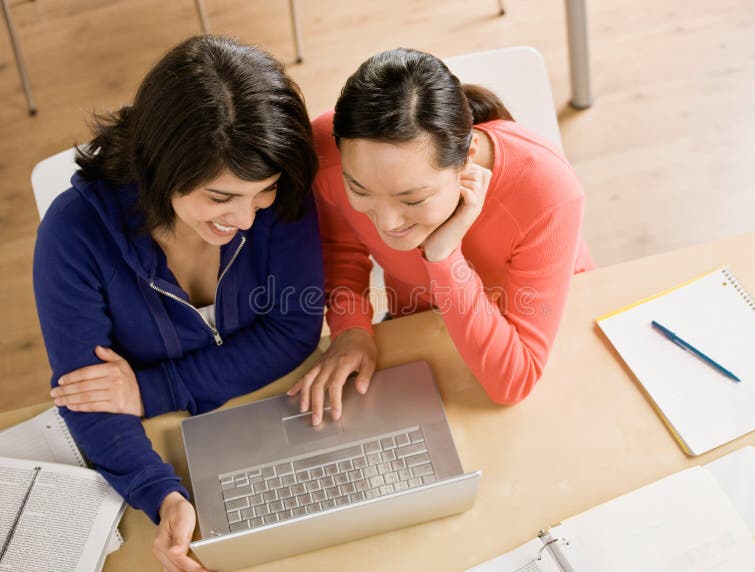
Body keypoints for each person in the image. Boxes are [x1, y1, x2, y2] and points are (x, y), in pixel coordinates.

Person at [33, 35, 323, 571]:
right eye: (219, 198)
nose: (246, 220)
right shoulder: (73, 238)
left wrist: (149, 388)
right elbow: (90, 399)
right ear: (162, 168)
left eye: (262, 192)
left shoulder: (283, 191)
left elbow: (293, 330)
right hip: (161, 447)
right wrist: (162, 495)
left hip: (273, 427)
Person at [288, 48, 593, 425]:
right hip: (421, 320)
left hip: (538, 326)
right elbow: (342, 246)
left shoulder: (548, 193)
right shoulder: (328, 151)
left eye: (412, 198)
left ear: (468, 159)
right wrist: (351, 329)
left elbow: (513, 381)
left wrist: (444, 256)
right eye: (360, 190)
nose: (386, 222)